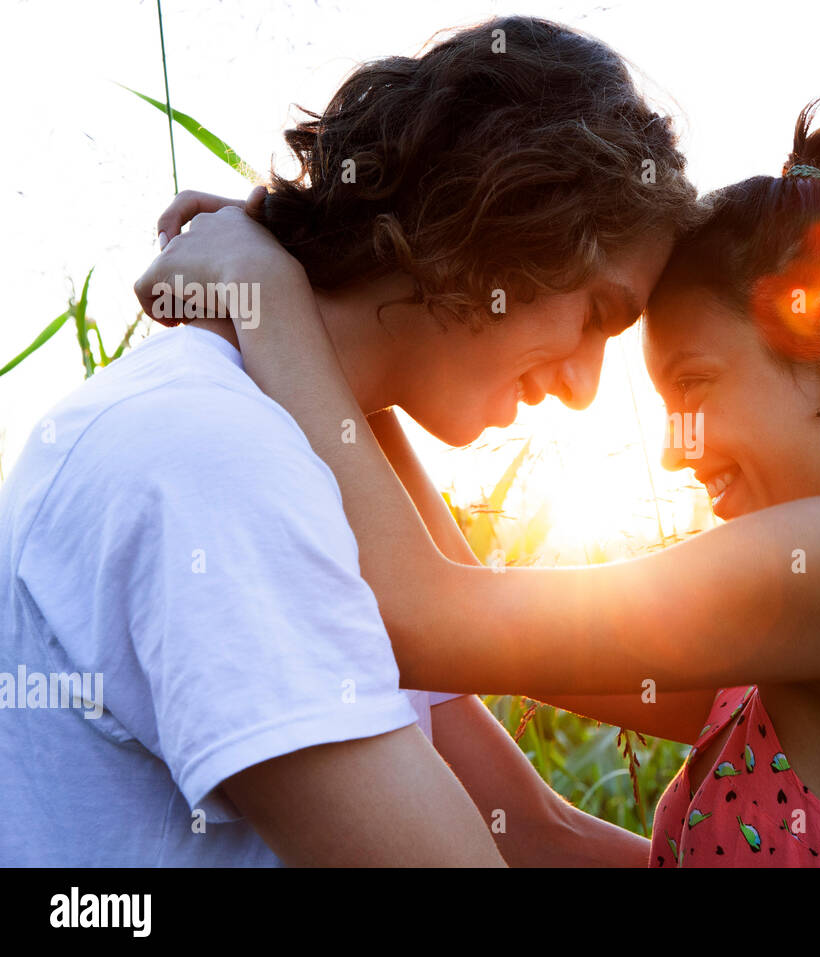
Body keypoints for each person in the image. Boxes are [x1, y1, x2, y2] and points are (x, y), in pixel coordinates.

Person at [139, 100, 820, 867]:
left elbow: (429, 620)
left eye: (693, 385)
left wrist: (277, 299)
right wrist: (344, 350)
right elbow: (519, 790)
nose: (676, 452)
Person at [0, 15, 698, 866]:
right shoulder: (209, 459)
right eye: (596, 314)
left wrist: (282, 293)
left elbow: (530, 830)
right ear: (500, 217)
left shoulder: (295, 455)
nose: (586, 388)